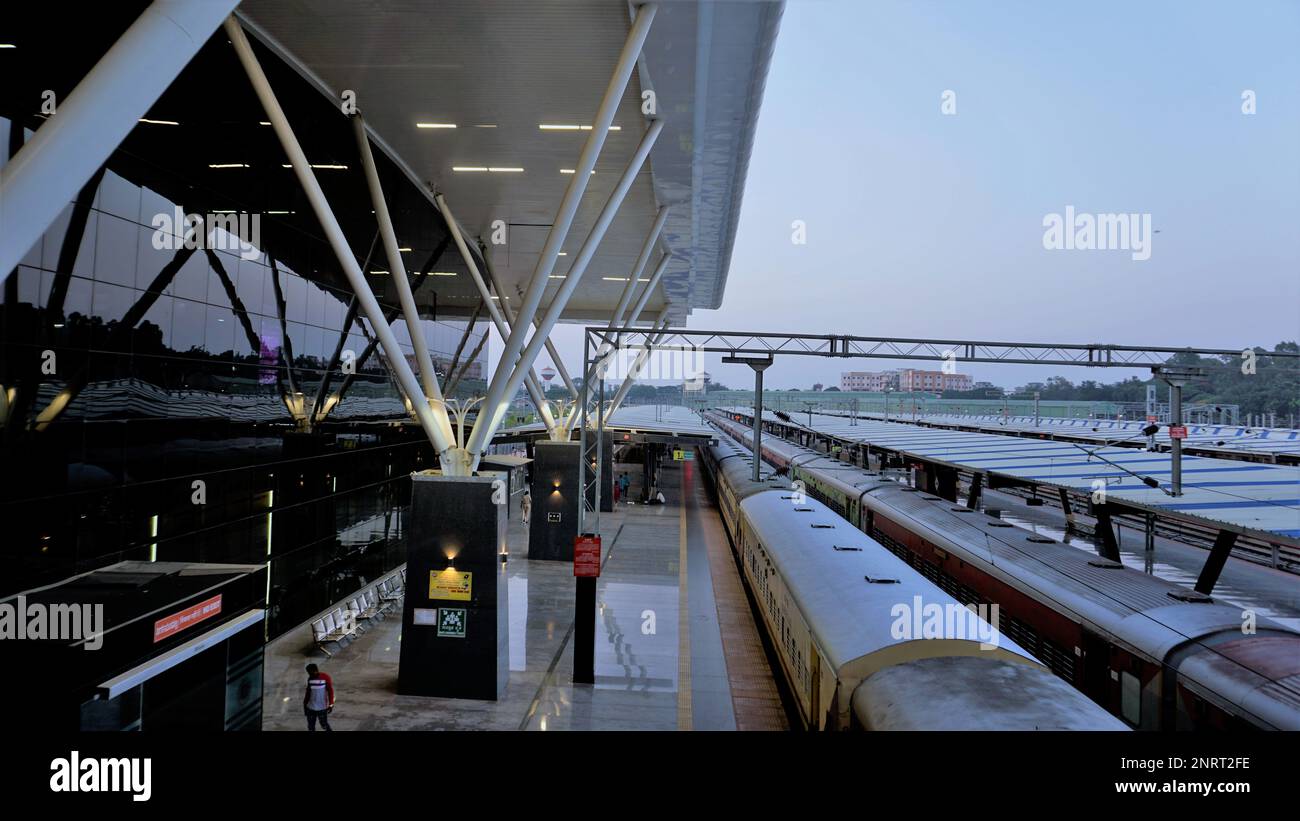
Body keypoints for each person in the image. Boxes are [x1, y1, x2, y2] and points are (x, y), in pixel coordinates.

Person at [304, 663, 334, 731]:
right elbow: (308, 692)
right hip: (310, 708)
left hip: (322, 708)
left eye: (311, 673)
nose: (310, 675)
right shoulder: (310, 679)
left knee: (324, 725)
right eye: (308, 673)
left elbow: (330, 691)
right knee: (311, 727)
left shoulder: (325, 677)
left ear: (316, 671)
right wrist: (305, 704)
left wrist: (331, 704)